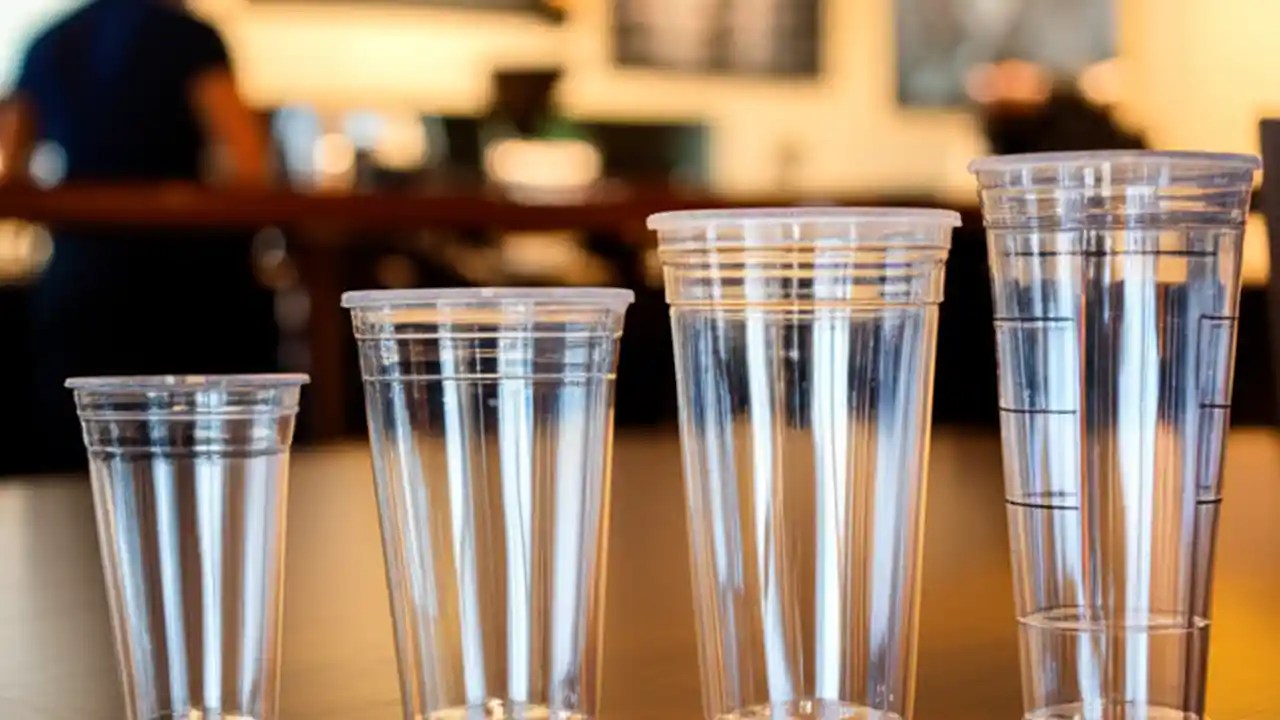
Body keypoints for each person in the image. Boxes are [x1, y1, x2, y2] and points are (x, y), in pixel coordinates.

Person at [0, 0, 278, 471]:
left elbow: (12, 169)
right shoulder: (190, 37)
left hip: (80, 278)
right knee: (194, 457)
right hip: (186, 285)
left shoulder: (51, 41)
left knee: (78, 458)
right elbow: (248, 164)